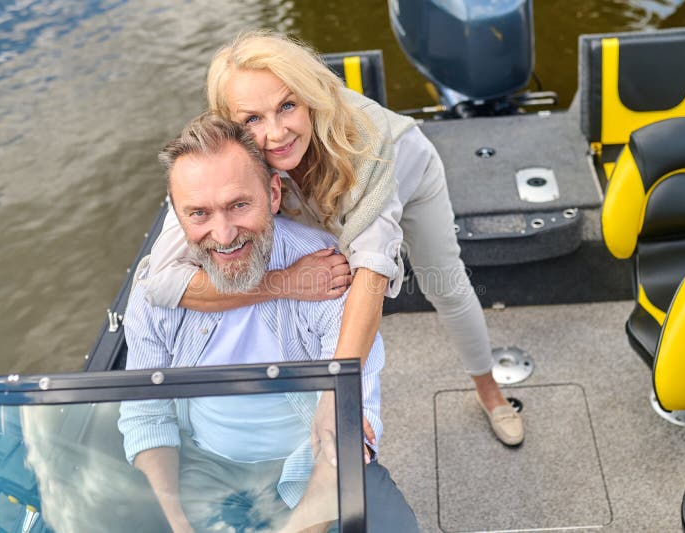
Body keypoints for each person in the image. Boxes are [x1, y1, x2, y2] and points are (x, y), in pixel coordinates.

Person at [140, 30, 523, 446]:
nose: (276, 133)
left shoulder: (371, 142)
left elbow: (371, 274)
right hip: (312, 200)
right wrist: (283, 282)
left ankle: (491, 393)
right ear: (228, 123)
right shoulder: (222, 162)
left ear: (310, 97)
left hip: (406, 174)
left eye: (287, 106)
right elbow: (159, 282)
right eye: (251, 119)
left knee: (443, 284)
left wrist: (336, 395)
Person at [118, 113, 419, 532]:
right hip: (204, 470)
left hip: (314, 465)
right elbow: (146, 413)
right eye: (199, 214)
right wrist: (175, 522)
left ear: (274, 194)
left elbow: (352, 430)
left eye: (239, 205)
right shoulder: (156, 289)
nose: (223, 235)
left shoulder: (328, 273)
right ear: (177, 214)